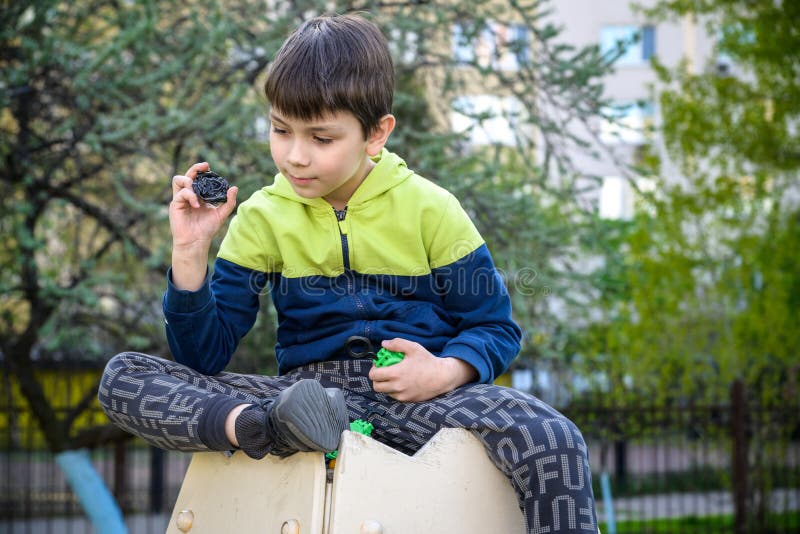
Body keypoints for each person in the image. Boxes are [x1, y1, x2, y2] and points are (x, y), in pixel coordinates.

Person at [98, 13, 597, 533]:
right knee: (125, 377)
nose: (295, 156)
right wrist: (190, 251)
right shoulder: (262, 216)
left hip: (417, 399)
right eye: (280, 130)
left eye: (321, 137)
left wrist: (443, 372)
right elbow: (203, 356)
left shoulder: (433, 209)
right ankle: (254, 427)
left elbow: (496, 328)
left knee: (553, 437)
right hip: (301, 406)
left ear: (376, 134)